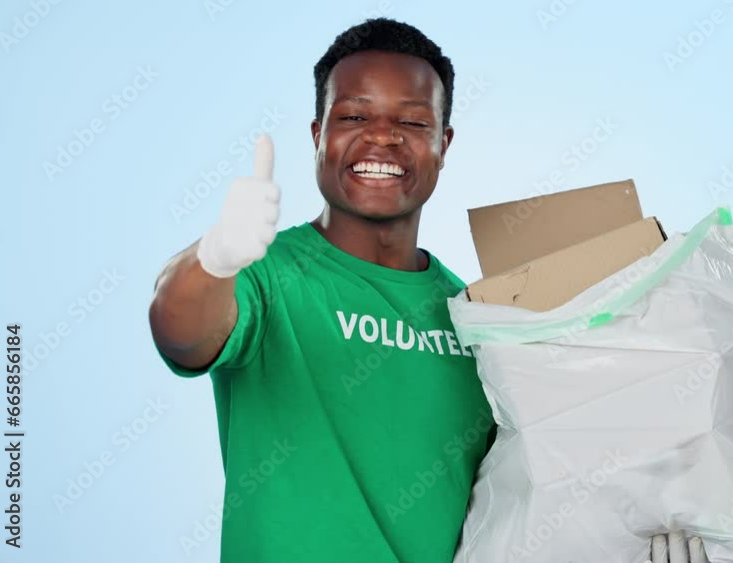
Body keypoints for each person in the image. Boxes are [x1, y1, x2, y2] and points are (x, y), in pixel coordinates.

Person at [149, 18, 494, 562]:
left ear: (443, 144)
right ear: (318, 135)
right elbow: (181, 333)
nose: (382, 136)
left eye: (412, 120)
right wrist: (213, 259)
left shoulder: (476, 320)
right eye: (354, 115)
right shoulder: (267, 274)